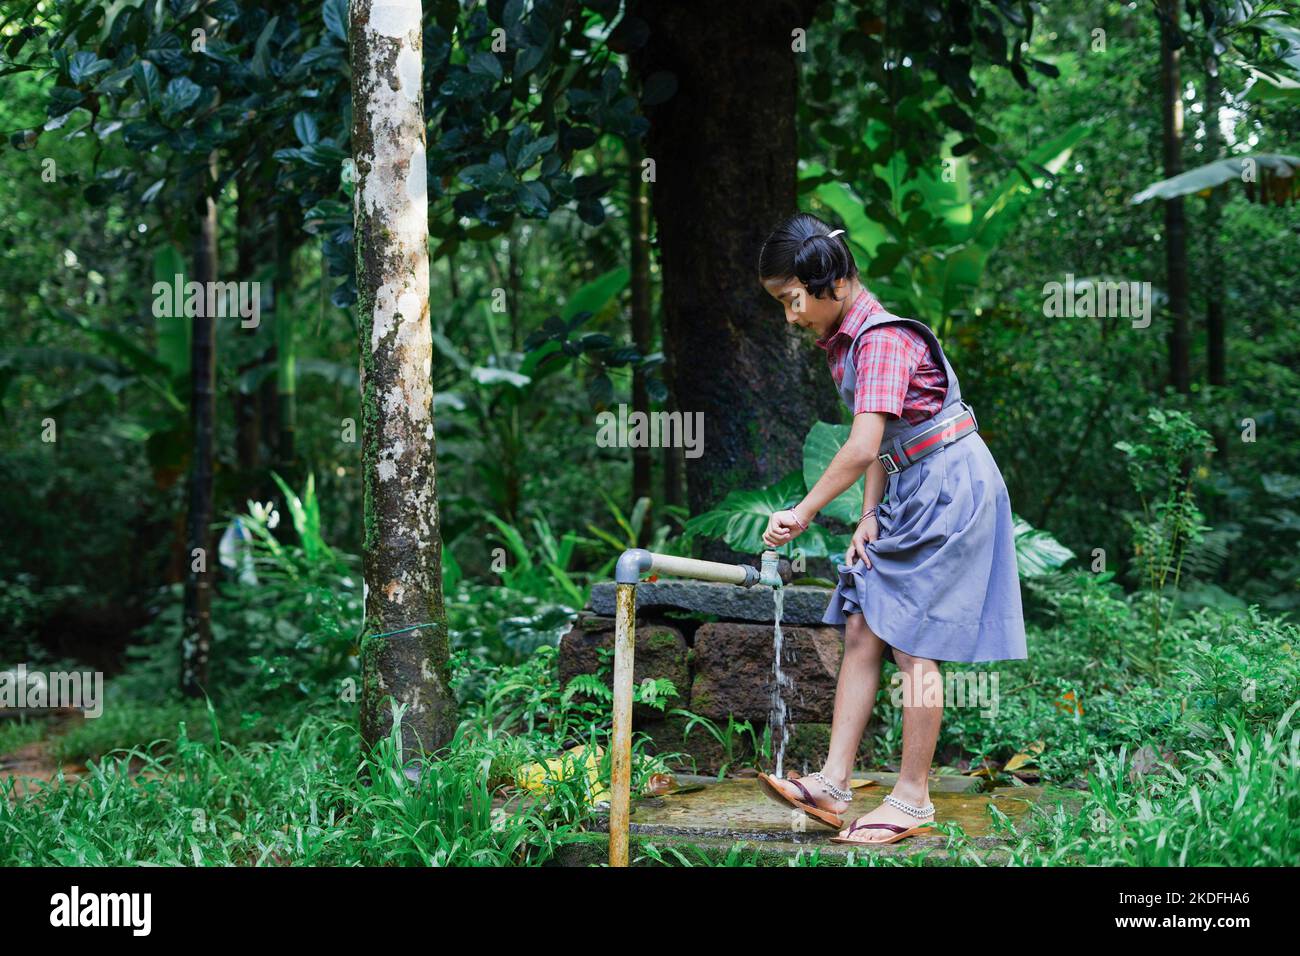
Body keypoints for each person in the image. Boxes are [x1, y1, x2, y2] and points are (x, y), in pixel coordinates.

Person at [753, 212, 1027, 846]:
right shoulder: (848, 344)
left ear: (829, 282)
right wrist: (869, 515)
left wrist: (805, 510)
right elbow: (880, 442)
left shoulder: (879, 339)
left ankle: (912, 799)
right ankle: (831, 783)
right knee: (862, 622)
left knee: (912, 640)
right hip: (910, 481)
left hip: (950, 485)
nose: (790, 316)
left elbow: (858, 447)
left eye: (792, 299)